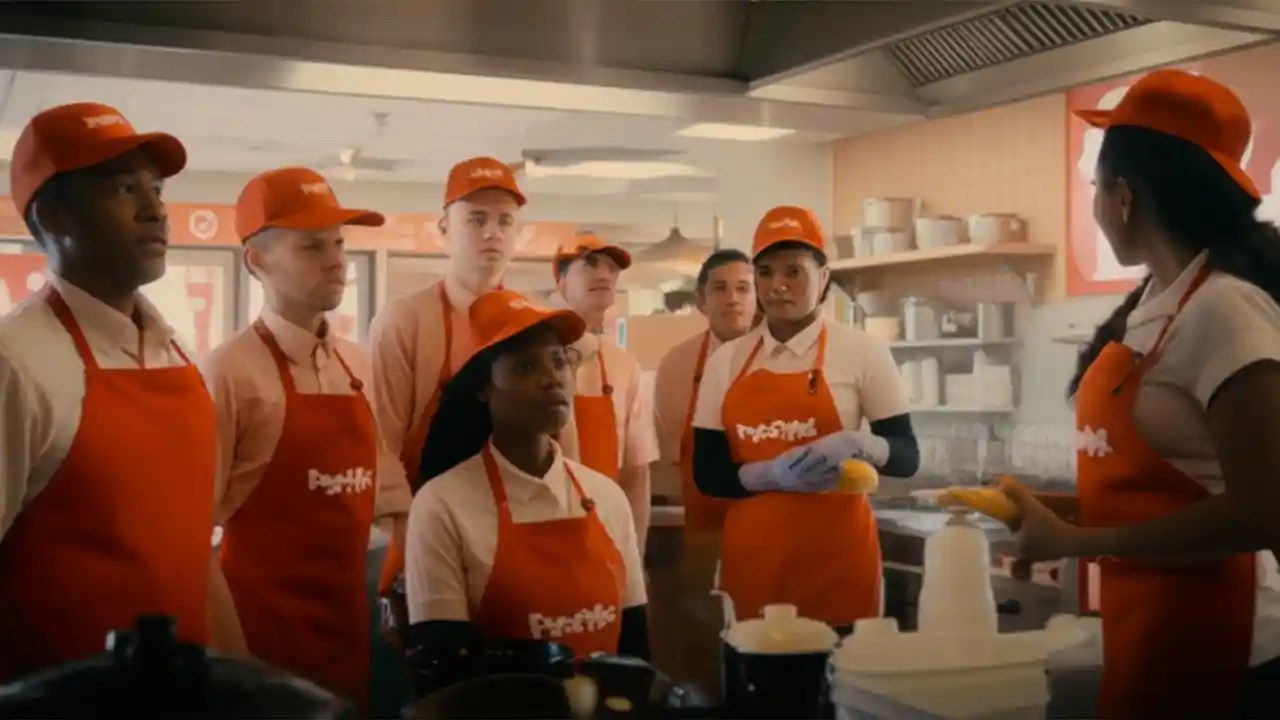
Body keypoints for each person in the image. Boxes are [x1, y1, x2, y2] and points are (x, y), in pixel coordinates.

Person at [1000, 69, 1280, 719]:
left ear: (1123, 197)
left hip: (1233, 649)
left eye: (1096, 188)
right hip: (1149, 630)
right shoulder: (1155, 305)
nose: (1097, 207)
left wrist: (1071, 544)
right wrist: (1045, 513)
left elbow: (1266, 509)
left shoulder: (1226, 311)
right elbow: (1152, 485)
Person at [0, 102, 222, 680]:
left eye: (156, 189)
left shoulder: (175, 354)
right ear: (54, 216)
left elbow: (196, 556)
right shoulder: (17, 364)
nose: (155, 211)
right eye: (124, 189)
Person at [199, 166, 410, 712]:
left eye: (339, 244)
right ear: (258, 261)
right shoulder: (231, 372)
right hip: (257, 639)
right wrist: (231, 659)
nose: (337, 260)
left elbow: (392, 501)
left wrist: (393, 595)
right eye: (313, 246)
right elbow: (191, 529)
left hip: (349, 633)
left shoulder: (357, 365)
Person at [403, 289, 648, 691]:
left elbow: (636, 649)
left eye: (558, 362)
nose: (551, 379)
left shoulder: (606, 496)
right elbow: (444, 668)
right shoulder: (442, 505)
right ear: (483, 387)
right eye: (525, 367)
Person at [691, 206, 919, 629]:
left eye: (794, 272)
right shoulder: (727, 362)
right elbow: (707, 472)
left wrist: (863, 445)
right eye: (765, 273)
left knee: (842, 691)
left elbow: (907, 457)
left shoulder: (863, 352)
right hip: (756, 563)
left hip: (839, 562)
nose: (777, 286)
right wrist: (771, 474)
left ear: (824, 277)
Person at [368, 156, 526, 619]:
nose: (491, 232)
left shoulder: (535, 323)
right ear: (444, 229)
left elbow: (560, 441)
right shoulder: (405, 320)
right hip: (427, 525)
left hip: (519, 526)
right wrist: (407, 541)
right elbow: (384, 441)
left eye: (505, 221)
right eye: (475, 219)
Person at [651, 248, 755, 693]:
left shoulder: (783, 354)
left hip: (773, 522)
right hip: (704, 526)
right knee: (702, 640)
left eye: (743, 288)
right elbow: (674, 451)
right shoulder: (677, 364)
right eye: (720, 288)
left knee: (767, 638)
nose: (732, 298)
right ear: (701, 300)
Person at [552, 232, 659, 551]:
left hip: (604, 535)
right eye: (590, 264)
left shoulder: (624, 366)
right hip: (539, 531)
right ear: (560, 281)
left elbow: (636, 474)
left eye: (613, 268)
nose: (604, 274)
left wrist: (635, 556)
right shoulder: (528, 358)